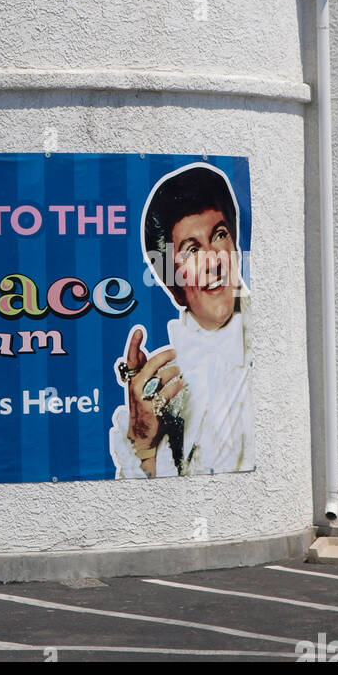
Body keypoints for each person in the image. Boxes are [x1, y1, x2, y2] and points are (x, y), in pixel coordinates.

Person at [109, 163, 253, 479]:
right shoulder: (167, 387)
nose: (214, 261)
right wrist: (144, 445)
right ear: (173, 285)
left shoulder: (277, 344)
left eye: (220, 235)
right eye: (191, 251)